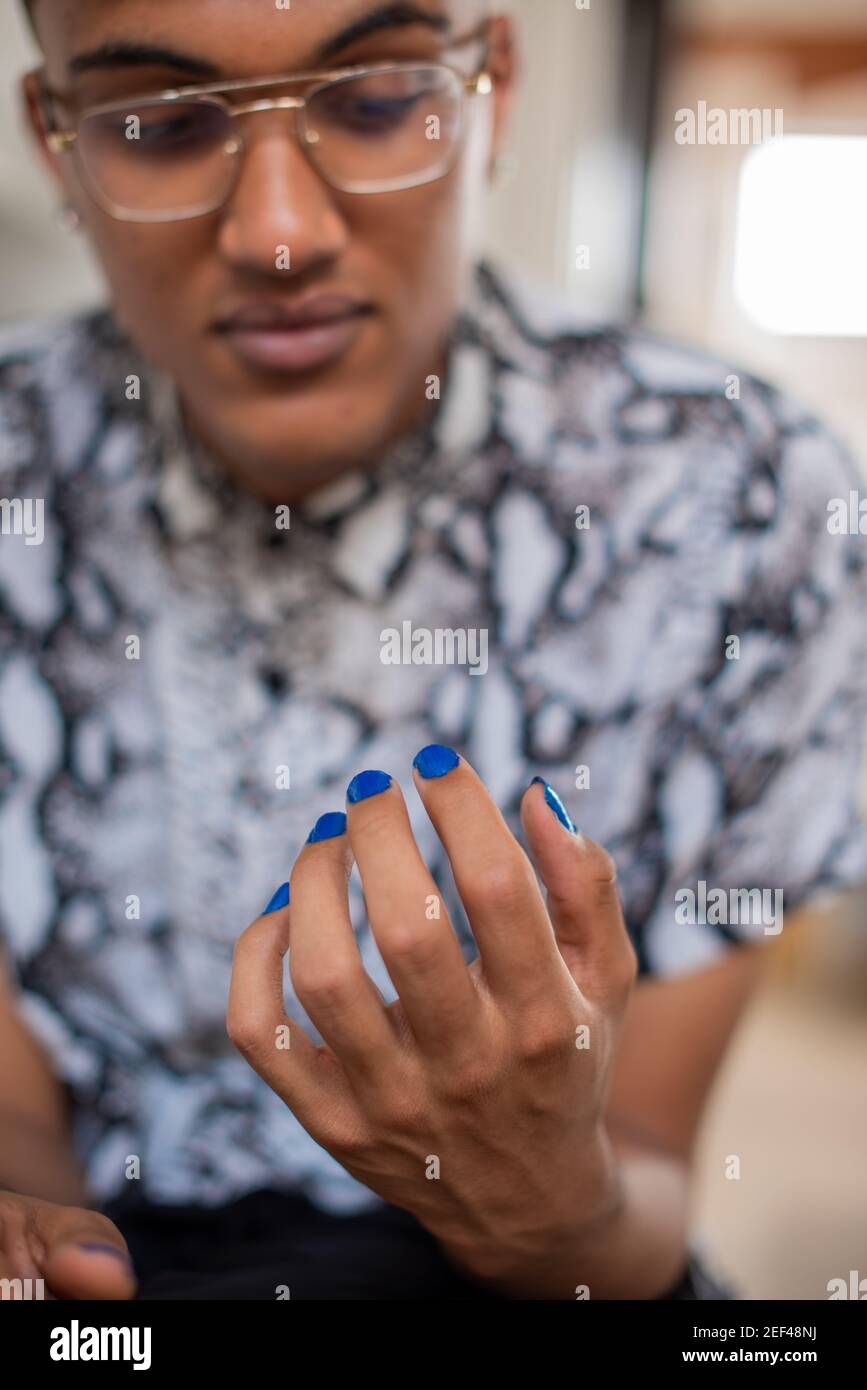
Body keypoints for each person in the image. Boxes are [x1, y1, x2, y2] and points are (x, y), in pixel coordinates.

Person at [0, 0, 865, 1301]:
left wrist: (553, 1205)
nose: (279, 233)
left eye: (371, 99)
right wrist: (39, 1232)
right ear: (60, 149)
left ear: (493, 93)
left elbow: (641, 1183)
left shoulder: (740, 501)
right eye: (162, 123)